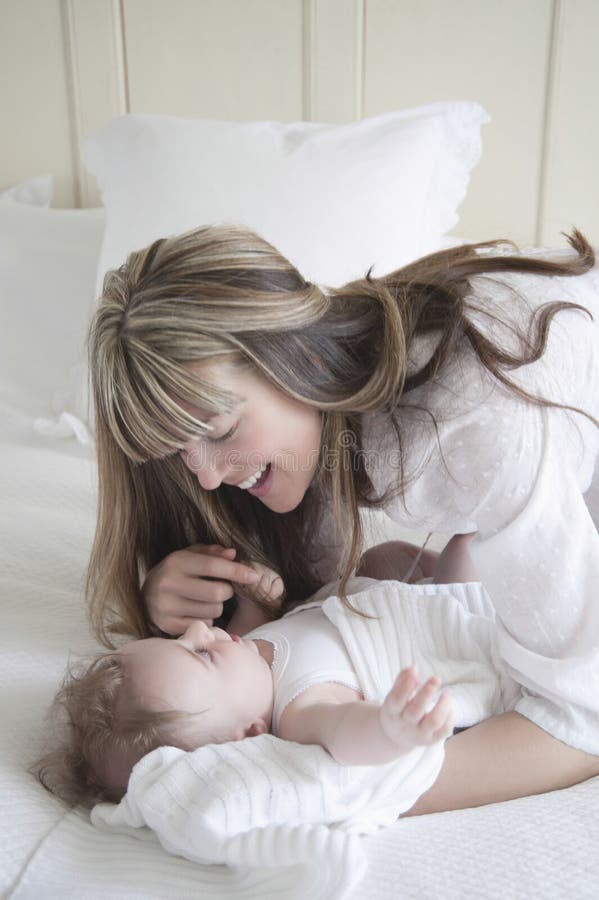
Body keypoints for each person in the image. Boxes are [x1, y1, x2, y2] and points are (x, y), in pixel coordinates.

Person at [86, 222, 599, 813]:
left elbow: (582, 717)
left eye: (221, 430)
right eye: (179, 450)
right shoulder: (328, 429)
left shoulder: (474, 429)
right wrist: (170, 594)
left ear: (298, 354)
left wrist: (349, 788)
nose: (203, 475)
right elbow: (310, 604)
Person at [36, 534, 507, 808]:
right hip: (454, 625)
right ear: (250, 734)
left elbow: (265, 625)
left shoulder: (246, 659)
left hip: (385, 599)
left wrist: (254, 595)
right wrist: (389, 727)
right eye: (202, 655)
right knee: (469, 542)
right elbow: (344, 732)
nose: (201, 630)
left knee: (380, 558)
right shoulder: (302, 707)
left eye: (177, 640)